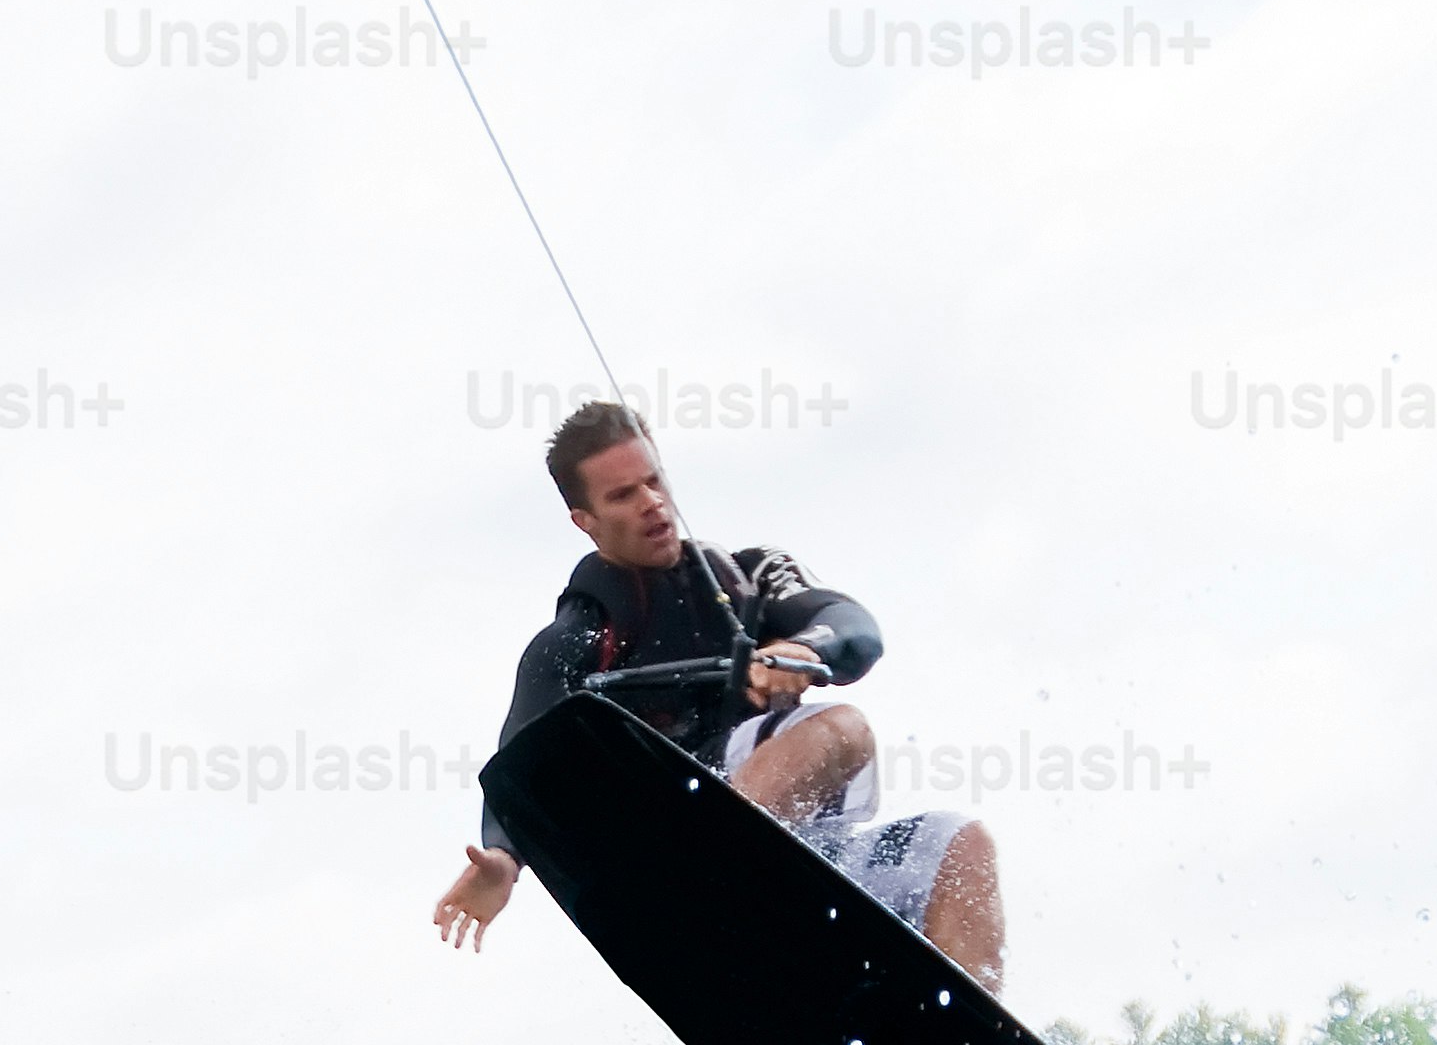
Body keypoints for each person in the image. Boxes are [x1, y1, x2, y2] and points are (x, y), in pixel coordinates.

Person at [431, 402, 1006, 985]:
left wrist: (805, 652)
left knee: (958, 845)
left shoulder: (748, 578)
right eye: (623, 495)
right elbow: (522, 761)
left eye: (654, 481)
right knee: (842, 723)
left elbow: (853, 626)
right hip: (675, 861)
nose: (652, 503)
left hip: (799, 860)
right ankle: (716, 884)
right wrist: (503, 859)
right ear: (586, 520)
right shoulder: (577, 638)